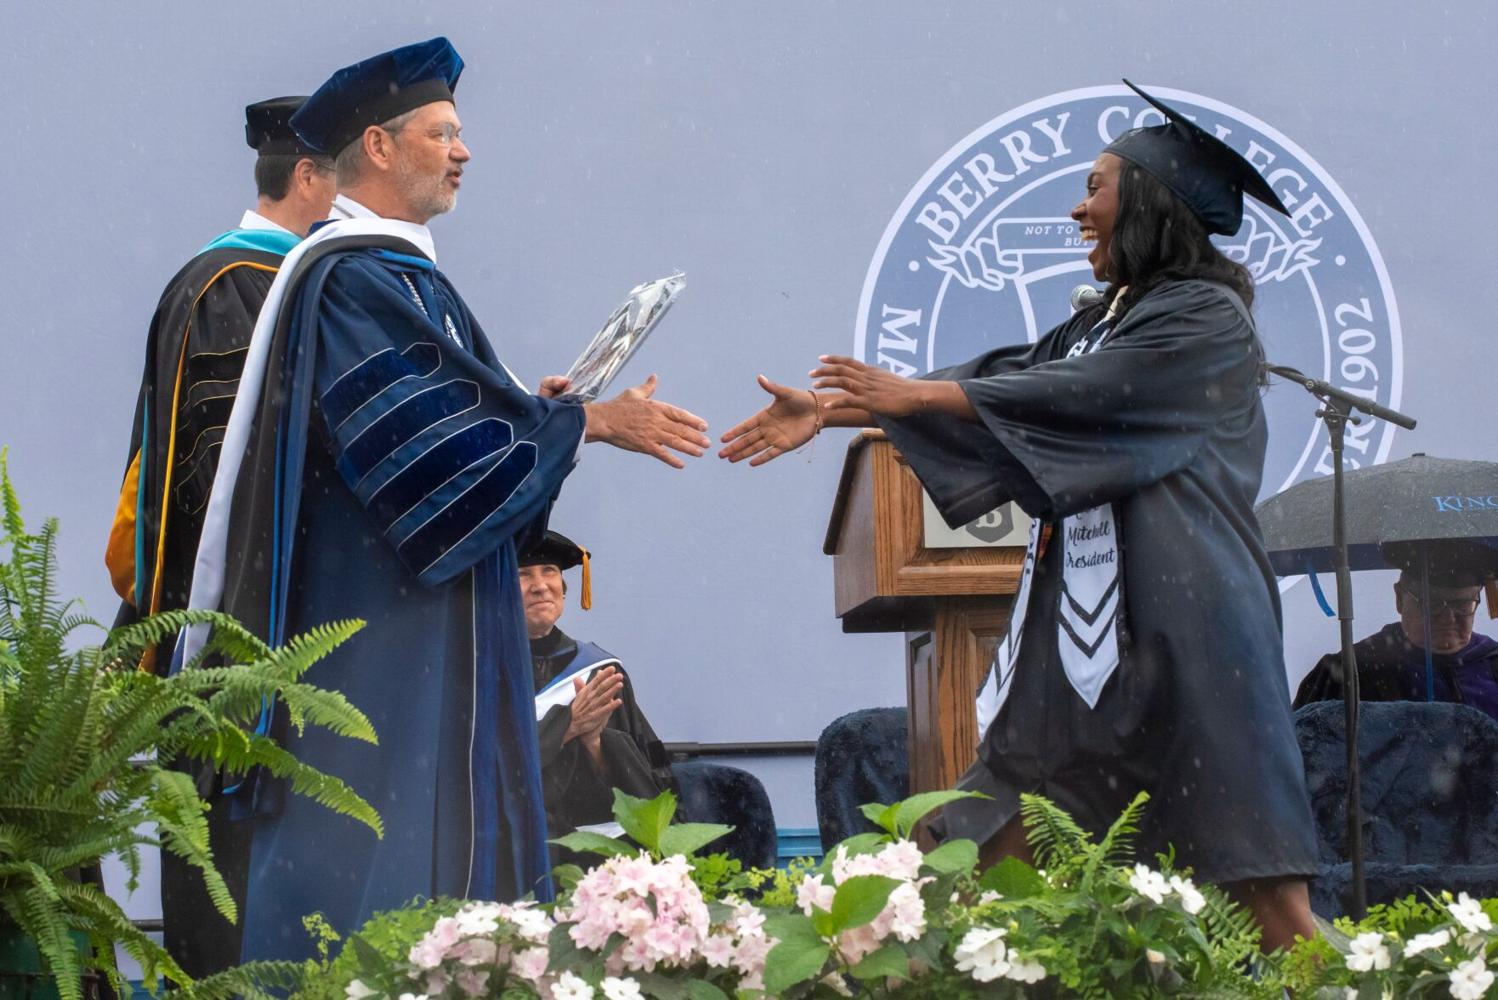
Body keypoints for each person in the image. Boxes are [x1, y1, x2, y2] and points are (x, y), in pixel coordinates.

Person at [721, 80, 1319, 950]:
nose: (1080, 212)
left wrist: (917, 393)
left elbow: (1074, 395)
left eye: (1096, 189)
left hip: (1187, 645)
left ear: (1148, 203)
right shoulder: (1105, 322)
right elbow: (1009, 380)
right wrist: (835, 410)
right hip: (1080, 651)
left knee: (1264, 906)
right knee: (979, 853)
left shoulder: (1204, 319)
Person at [178, 38, 709, 963]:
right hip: (379, 651)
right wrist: (584, 425)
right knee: (374, 887)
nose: (463, 152)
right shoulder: (355, 279)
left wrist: (535, 416)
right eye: (443, 133)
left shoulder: (388, 275)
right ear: (378, 147)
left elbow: (442, 434)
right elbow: (426, 472)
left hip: (417, 640)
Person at [100, 95, 333, 979]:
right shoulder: (236, 284)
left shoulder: (273, 282)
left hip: (256, 648)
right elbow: (216, 480)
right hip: (227, 642)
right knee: (226, 891)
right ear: (308, 176)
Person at [520, 531, 674, 850]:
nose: (540, 585)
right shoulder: (484, 676)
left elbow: (645, 780)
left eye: (549, 571)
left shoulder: (600, 672)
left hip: (600, 843)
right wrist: (565, 726)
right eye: (523, 574)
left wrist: (596, 745)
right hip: (522, 843)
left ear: (562, 590)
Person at [1295, 541, 1498, 719]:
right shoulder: (1348, 673)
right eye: (1432, 604)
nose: (1448, 618)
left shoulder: (1493, 664)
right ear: (1400, 598)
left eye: (1463, 605)